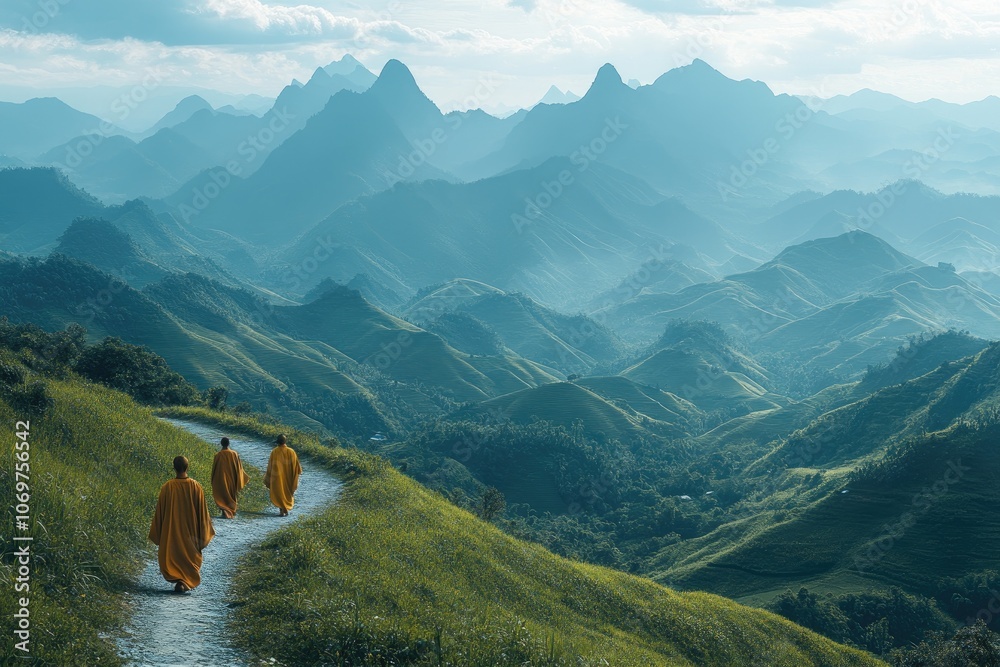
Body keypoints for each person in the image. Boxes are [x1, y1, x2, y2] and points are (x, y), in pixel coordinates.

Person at [148, 456, 215, 593]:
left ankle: (180, 580)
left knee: (173, 555)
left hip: (171, 533)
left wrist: (159, 532)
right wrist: (204, 532)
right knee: (190, 558)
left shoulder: (167, 487)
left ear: (174, 467)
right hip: (191, 534)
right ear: (187, 467)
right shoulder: (195, 486)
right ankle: (183, 581)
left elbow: (160, 512)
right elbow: (202, 513)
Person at [210, 437, 250, 519]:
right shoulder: (234, 454)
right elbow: (239, 468)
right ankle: (231, 511)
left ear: (221, 444)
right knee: (231, 495)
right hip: (232, 479)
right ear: (229, 444)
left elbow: (214, 469)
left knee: (222, 495)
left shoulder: (218, 455)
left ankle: (225, 511)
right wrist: (240, 477)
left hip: (220, 479)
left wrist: (213, 480)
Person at [263, 434, 302, 517]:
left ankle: (282, 510)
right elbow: (297, 467)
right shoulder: (291, 452)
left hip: (277, 478)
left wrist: (268, 476)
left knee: (279, 492)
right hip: (289, 478)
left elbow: (270, 466)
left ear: (277, 442)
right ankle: (286, 509)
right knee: (287, 492)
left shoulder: (274, 452)